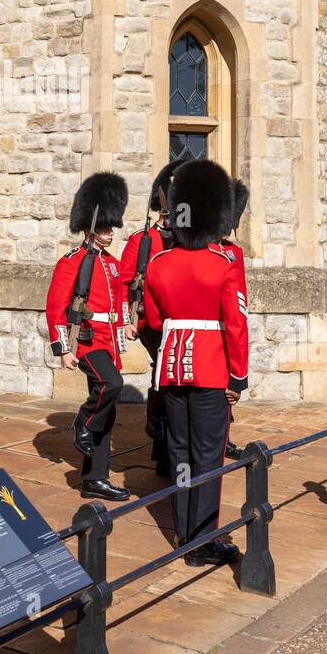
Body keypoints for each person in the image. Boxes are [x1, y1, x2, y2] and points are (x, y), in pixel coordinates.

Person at [143, 159, 249, 565]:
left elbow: (153, 320)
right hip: (209, 369)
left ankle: (183, 531)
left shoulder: (158, 264)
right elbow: (235, 326)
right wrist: (237, 377)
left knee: (180, 453)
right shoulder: (222, 266)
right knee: (208, 455)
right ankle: (202, 541)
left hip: (170, 369)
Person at [45, 171, 132, 503]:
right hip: (87, 340)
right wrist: (64, 350)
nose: (110, 234)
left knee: (108, 411)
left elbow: (120, 299)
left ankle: (95, 478)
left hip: (109, 340)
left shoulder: (112, 263)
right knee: (112, 385)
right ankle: (82, 421)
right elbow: (56, 308)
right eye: (106, 227)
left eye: (112, 228)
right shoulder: (72, 262)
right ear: (89, 227)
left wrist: (127, 323)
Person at [120, 159, 187, 478]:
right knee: (165, 377)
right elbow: (126, 282)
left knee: (177, 381)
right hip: (153, 322)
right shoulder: (142, 241)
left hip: (183, 320)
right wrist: (128, 320)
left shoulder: (188, 239)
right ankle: (160, 436)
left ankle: (169, 447)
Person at [222, 179, 249, 461]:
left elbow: (238, 299)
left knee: (225, 391)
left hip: (225, 327)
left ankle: (224, 438)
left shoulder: (232, 251)